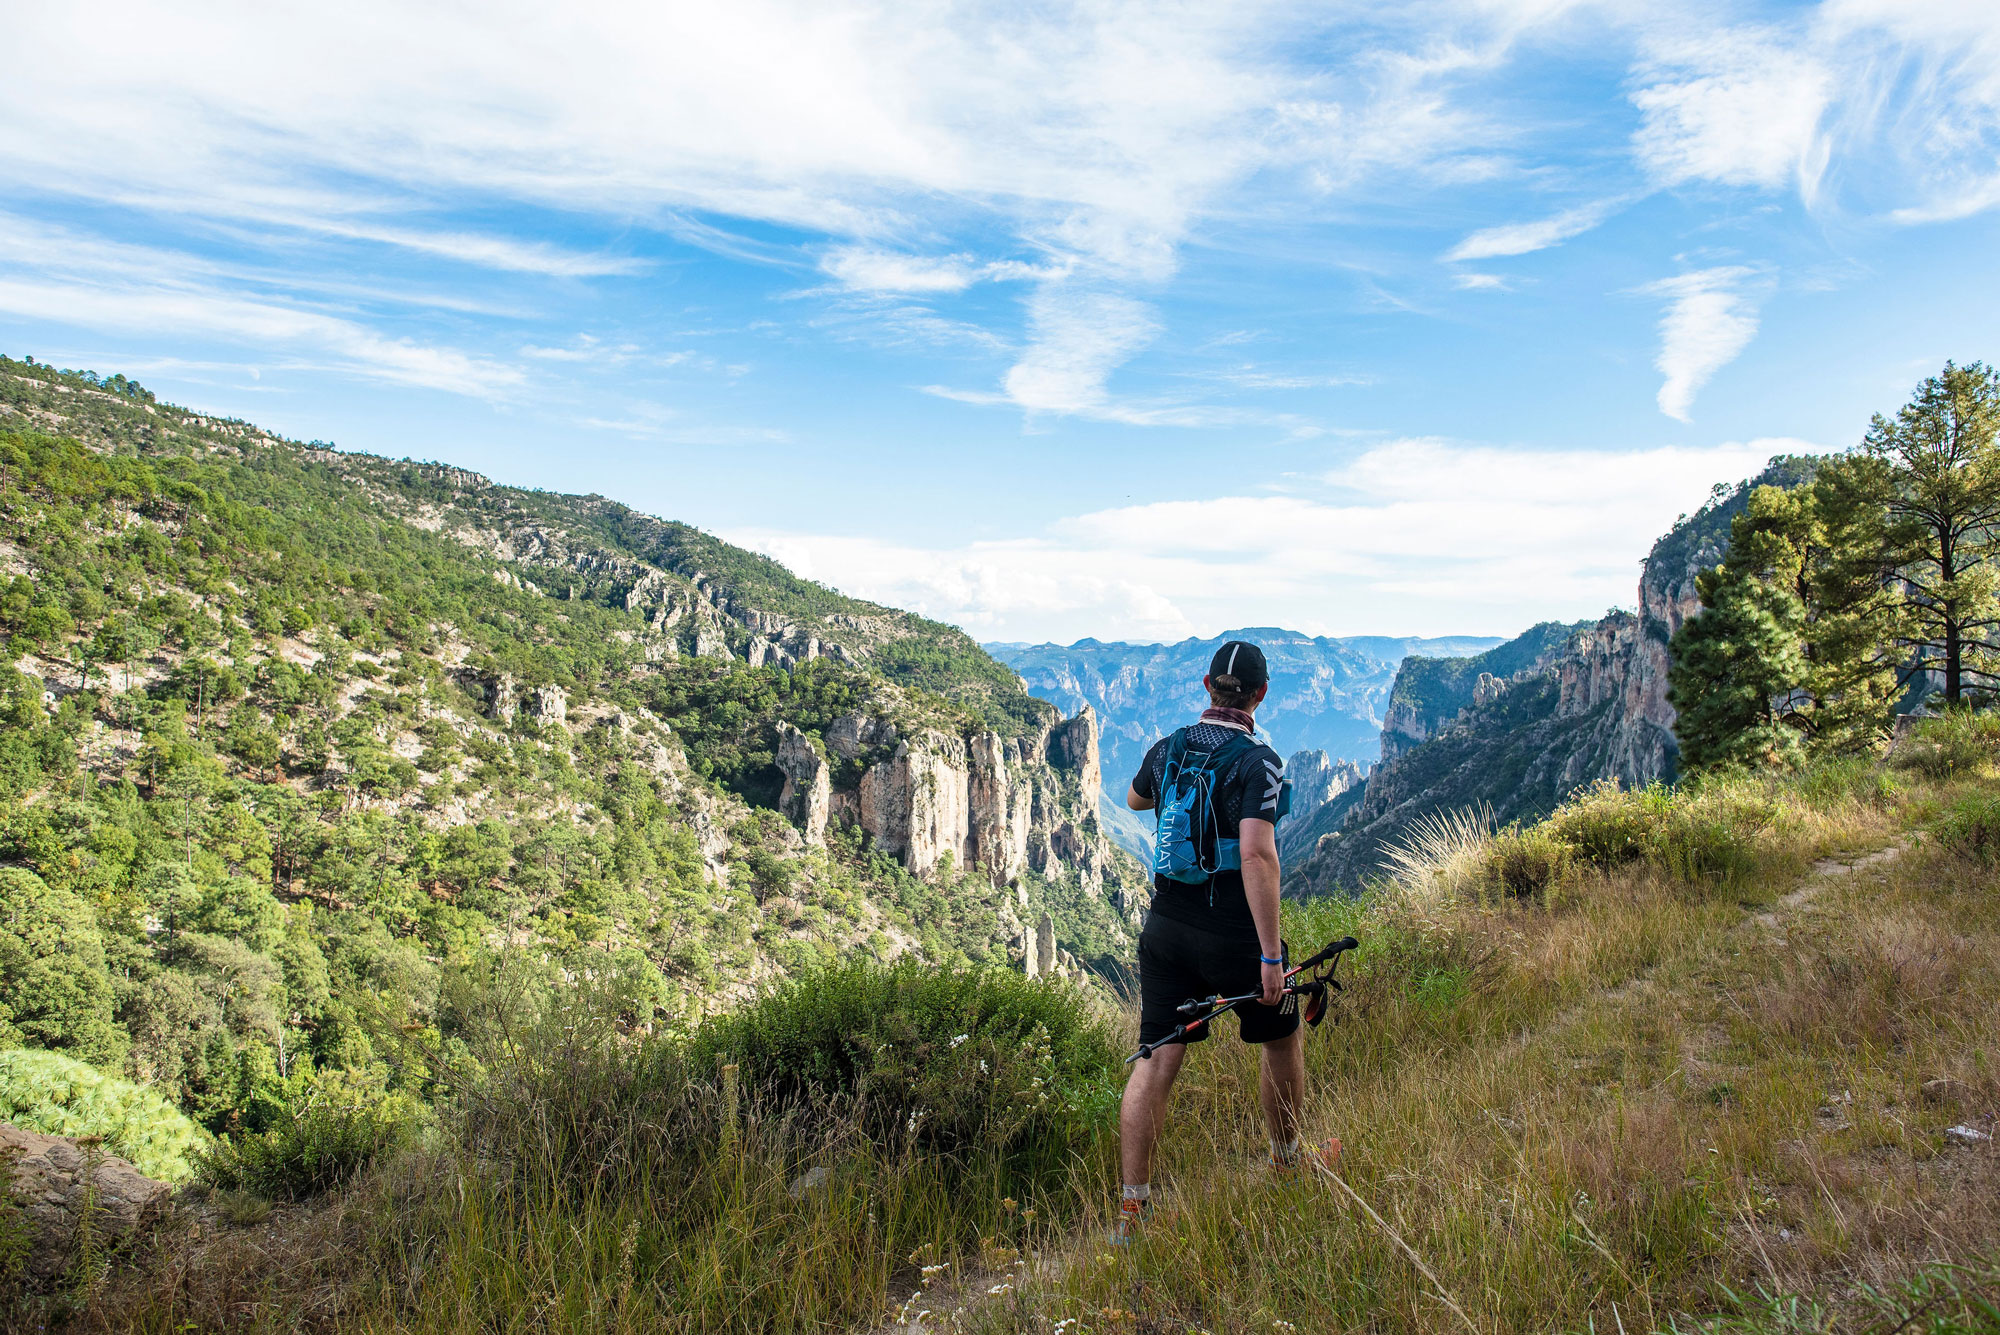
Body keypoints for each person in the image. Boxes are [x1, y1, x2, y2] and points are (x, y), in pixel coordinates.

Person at [1111, 639, 1339, 1245]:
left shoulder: (1170, 746)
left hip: (1165, 929)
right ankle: (1288, 1162)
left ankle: (1133, 1212)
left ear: (1207, 685)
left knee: (1154, 1062)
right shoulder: (1257, 760)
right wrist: (1269, 956)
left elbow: (1135, 800)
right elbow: (1260, 855)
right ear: (1261, 695)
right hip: (1233, 934)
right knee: (1280, 1042)